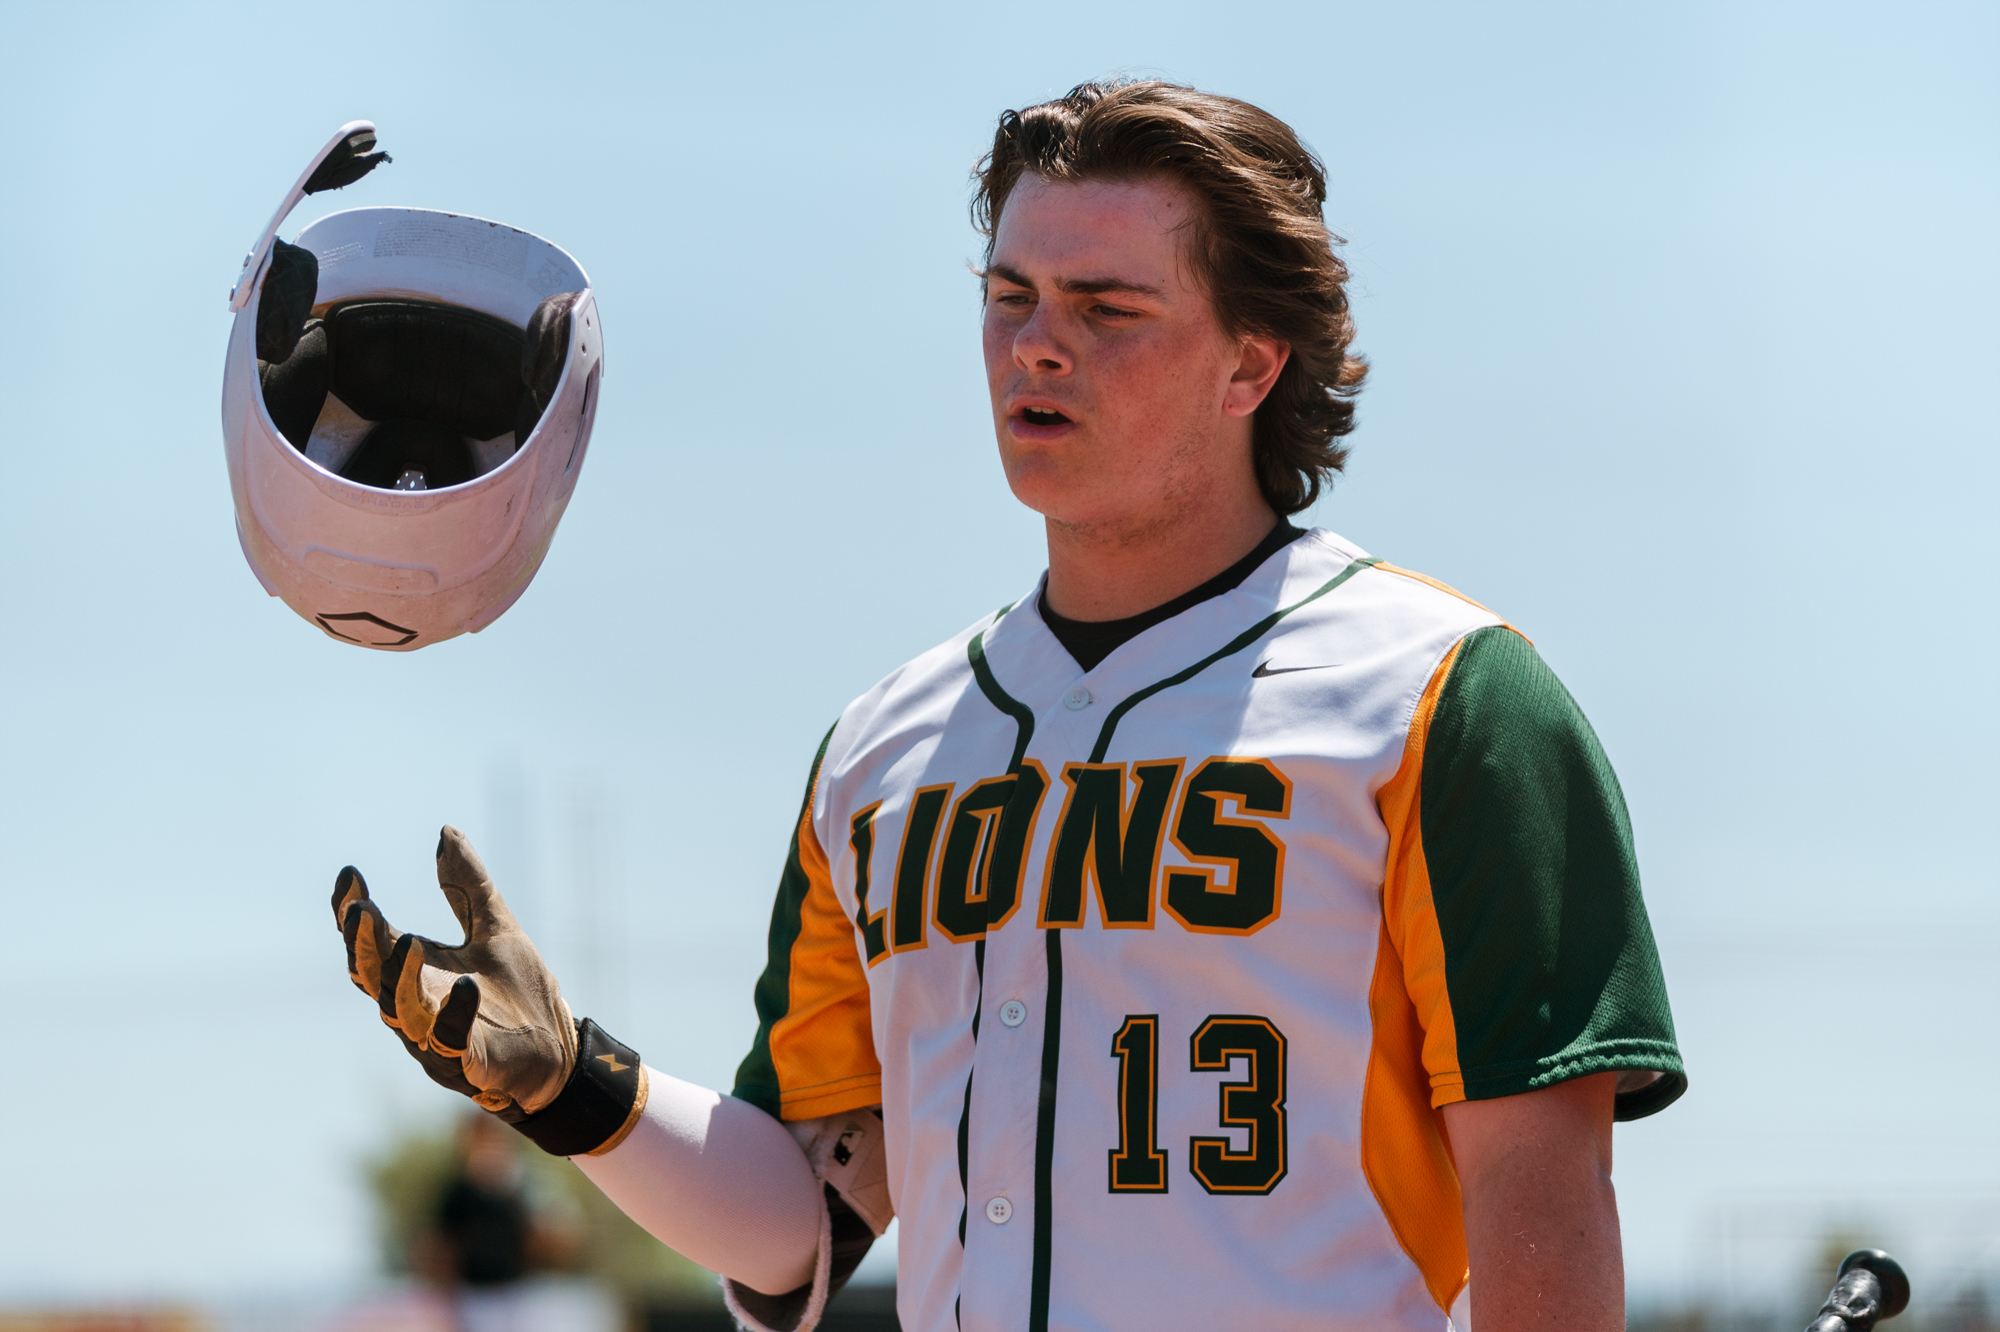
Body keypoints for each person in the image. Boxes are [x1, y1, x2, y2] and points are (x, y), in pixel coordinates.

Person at [331, 80, 1685, 1332]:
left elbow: (1544, 1206)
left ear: (1252, 365)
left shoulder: (1448, 697)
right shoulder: (885, 749)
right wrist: (575, 1087)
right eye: (1009, 295)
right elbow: (805, 1219)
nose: (1036, 347)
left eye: (1108, 309)